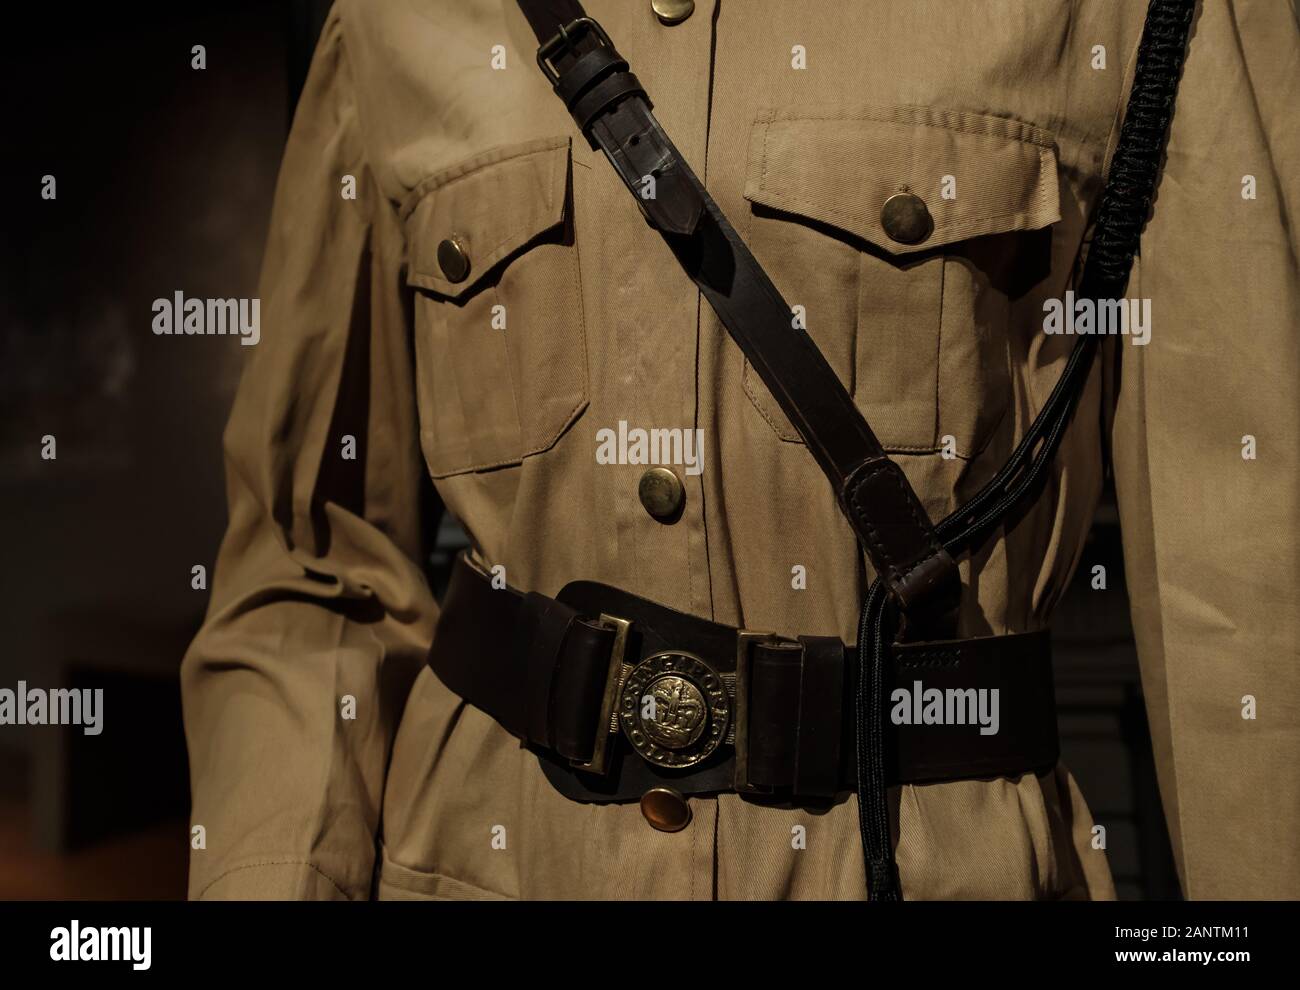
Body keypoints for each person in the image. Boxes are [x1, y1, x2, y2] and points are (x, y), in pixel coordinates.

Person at [181, 0, 1298, 900]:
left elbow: (1245, 596)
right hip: (478, 861)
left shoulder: (1149, 16)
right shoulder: (390, 21)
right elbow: (310, 575)